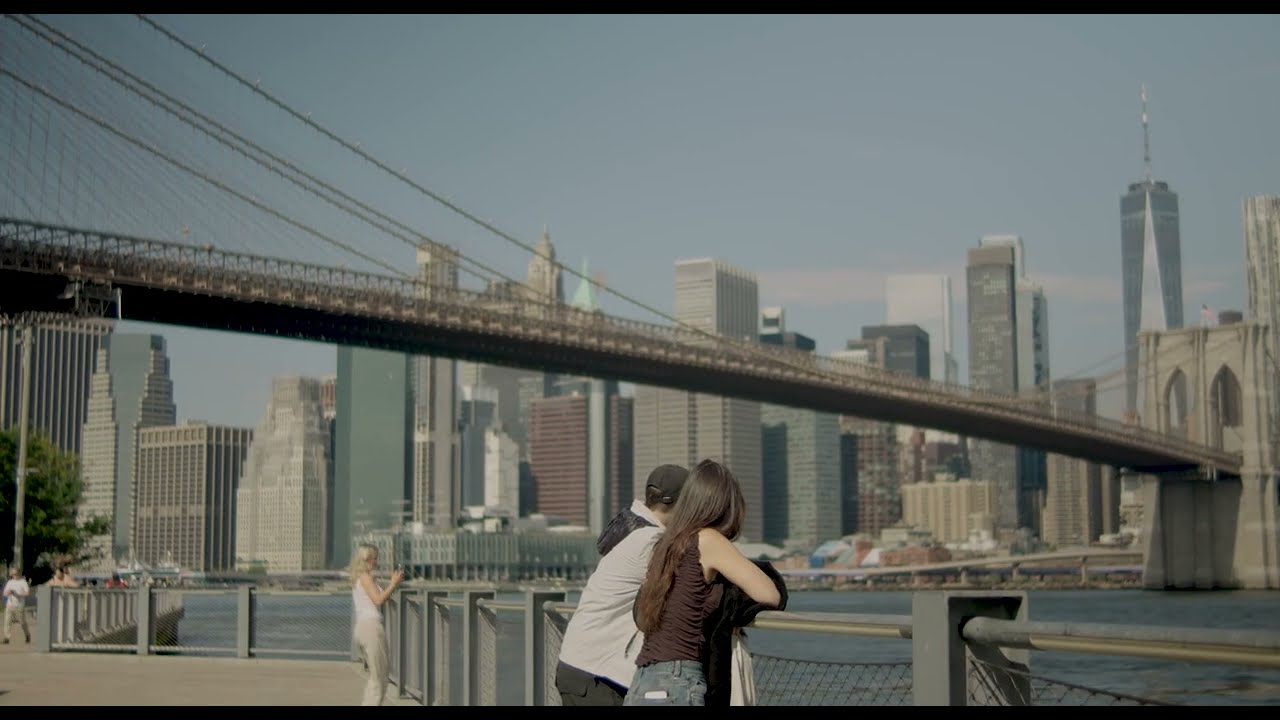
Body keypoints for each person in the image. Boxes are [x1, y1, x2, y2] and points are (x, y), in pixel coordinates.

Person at [625, 459, 782, 706]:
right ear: (724, 506)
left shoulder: (666, 545)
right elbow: (769, 594)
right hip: (678, 680)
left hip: (644, 682)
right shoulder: (707, 540)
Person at [555, 464, 690, 706]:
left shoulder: (631, 529)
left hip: (581, 665)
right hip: (597, 674)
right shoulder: (650, 541)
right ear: (680, 504)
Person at [349, 544, 404, 706]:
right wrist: (393, 583)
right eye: (374, 558)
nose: (376, 562)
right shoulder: (365, 578)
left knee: (377, 677)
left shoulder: (360, 577)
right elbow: (378, 599)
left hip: (363, 628)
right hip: (371, 629)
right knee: (379, 680)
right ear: (366, 559)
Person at [3, 567, 31, 644]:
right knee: (7, 621)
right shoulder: (10, 582)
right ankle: (7, 637)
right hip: (10, 605)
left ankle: (27, 635)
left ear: (19, 574)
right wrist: (8, 592)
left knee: (22, 622)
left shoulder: (23, 582)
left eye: (15, 574)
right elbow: (5, 593)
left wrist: (18, 594)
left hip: (19, 605)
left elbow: (27, 593)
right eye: (13, 574)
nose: (14, 575)